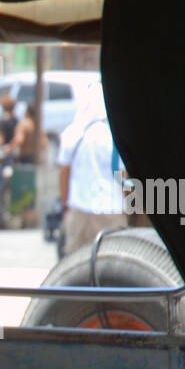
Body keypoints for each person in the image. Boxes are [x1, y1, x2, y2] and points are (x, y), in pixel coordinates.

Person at [56, 83, 124, 255]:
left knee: (75, 267)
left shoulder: (73, 134)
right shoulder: (116, 136)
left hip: (79, 210)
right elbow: (123, 176)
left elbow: (63, 172)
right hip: (112, 210)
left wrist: (66, 206)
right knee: (111, 268)